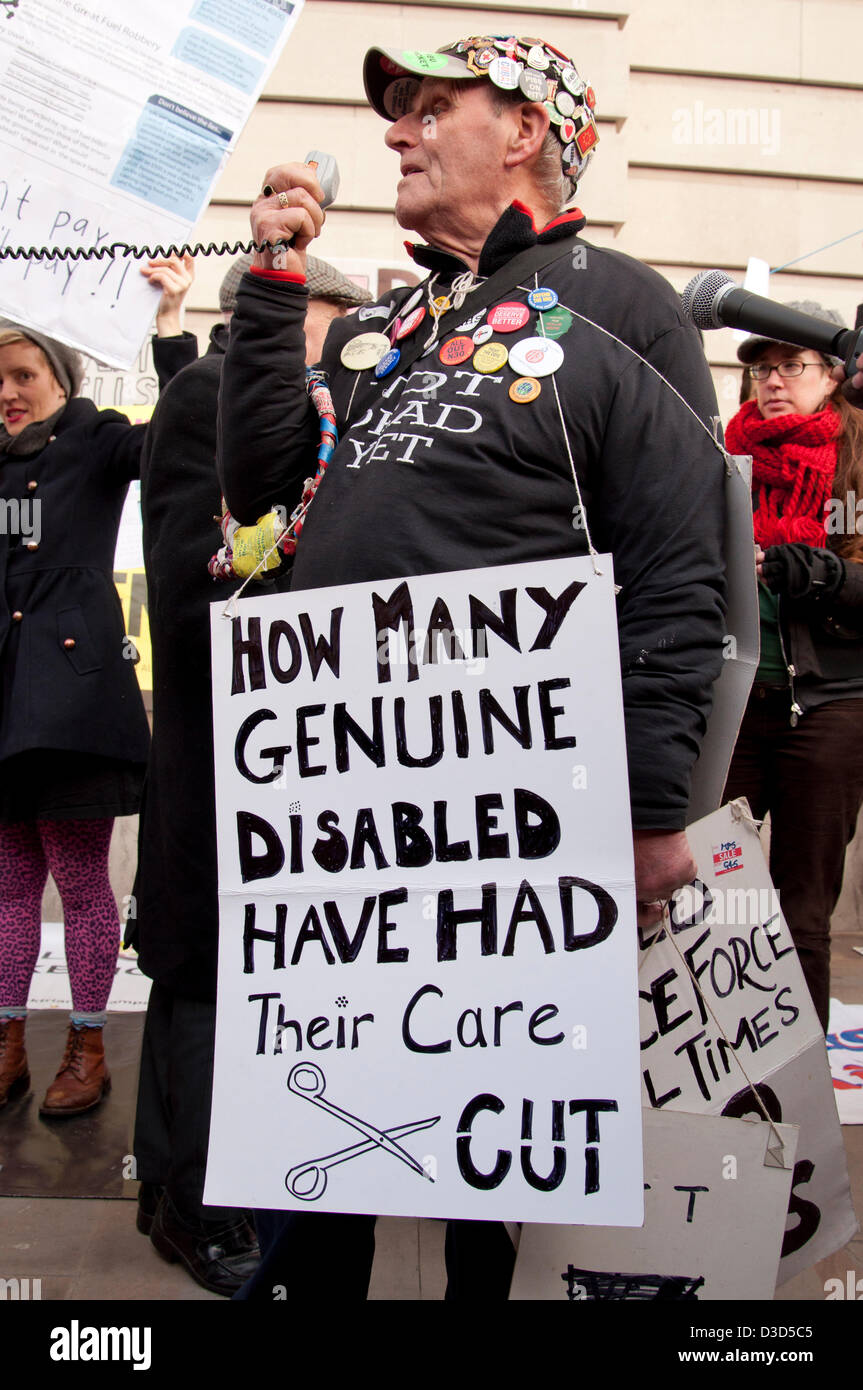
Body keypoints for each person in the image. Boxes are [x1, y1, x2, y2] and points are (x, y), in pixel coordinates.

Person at [216, 34, 728, 1299]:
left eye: (430, 107)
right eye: (393, 112)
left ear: (527, 133)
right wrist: (273, 280)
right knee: (322, 1136)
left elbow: (679, 561)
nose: (396, 130)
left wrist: (655, 806)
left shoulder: (615, 301)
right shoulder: (392, 321)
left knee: (494, 1180)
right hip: (339, 809)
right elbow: (260, 494)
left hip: (517, 816)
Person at [129, 253, 371, 1295]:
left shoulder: (324, 410)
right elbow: (198, 584)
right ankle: (198, 1210)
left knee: (230, 977)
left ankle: (171, 1190)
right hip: (221, 750)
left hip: (289, 755)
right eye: (338, 315)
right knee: (207, 978)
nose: (353, 336)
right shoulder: (205, 396)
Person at [0, 260, 196, 1115]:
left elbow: (185, 438)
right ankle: (6, 1040)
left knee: (80, 881)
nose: (7, 393)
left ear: (58, 377)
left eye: (22, 374)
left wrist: (172, 327)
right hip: (4, 701)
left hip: (75, 702)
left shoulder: (95, 438)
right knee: (8, 883)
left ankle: (87, 1044)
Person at [723, 309, 863, 1032]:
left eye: (793, 365)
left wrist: (814, 573)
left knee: (801, 905)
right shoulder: (726, 456)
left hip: (830, 705)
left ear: (833, 375)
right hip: (736, 702)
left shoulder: (855, 464)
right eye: (761, 367)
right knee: (713, 892)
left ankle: (797, 1085)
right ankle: (713, 1066)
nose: (773, 381)